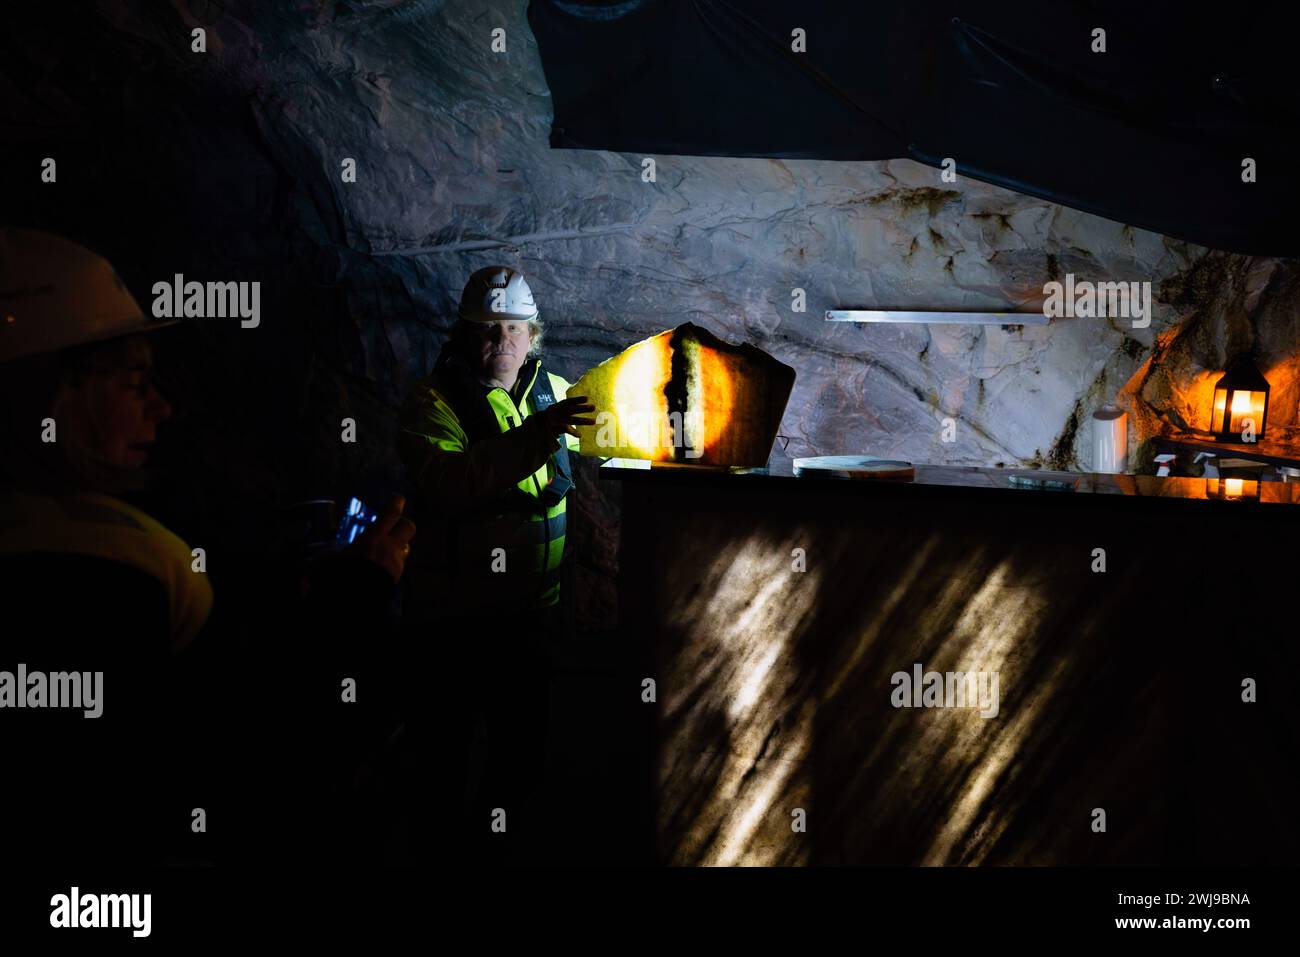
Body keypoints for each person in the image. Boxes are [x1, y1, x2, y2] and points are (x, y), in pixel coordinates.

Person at [0, 228, 416, 865]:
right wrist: (353, 600)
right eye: (133, 383)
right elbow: (253, 752)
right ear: (55, 394)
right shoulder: (103, 572)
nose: (161, 407)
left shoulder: (66, 528)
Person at [396, 265, 595, 863]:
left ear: (534, 335)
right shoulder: (431, 404)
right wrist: (538, 435)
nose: (501, 343)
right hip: (454, 623)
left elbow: (617, 430)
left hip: (532, 617)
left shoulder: (551, 392)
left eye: (513, 328)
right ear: (462, 335)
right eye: (486, 330)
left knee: (521, 756)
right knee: (443, 757)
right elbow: (456, 482)